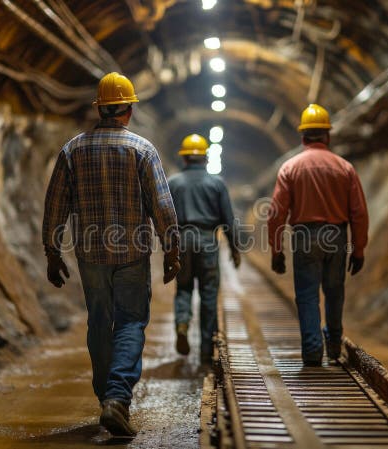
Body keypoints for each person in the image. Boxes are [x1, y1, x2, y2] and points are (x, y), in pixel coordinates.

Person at [41, 72, 180, 437]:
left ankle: (107, 397)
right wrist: (172, 249)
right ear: (129, 110)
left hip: (90, 255)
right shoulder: (143, 150)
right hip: (133, 253)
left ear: (101, 109)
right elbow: (162, 207)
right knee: (131, 322)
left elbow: (56, 204)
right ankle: (116, 400)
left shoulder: (73, 149)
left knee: (99, 322)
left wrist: (52, 252)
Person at [267, 104, 369, 367]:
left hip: (304, 236)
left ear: (302, 137)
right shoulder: (345, 168)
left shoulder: (290, 168)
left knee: (307, 294)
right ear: (327, 136)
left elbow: (276, 213)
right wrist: (358, 249)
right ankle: (334, 344)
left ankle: (313, 352)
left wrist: (276, 249)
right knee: (335, 291)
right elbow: (358, 212)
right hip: (336, 235)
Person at [168, 134, 240, 364]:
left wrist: (168, 245)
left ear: (184, 158)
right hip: (208, 239)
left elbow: (165, 216)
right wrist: (234, 247)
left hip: (181, 239)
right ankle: (207, 348)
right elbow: (228, 218)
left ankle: (181, 324)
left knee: (184, 287)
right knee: (209, 292)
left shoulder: (173, 183)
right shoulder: (216, 183)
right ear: (205, 157)